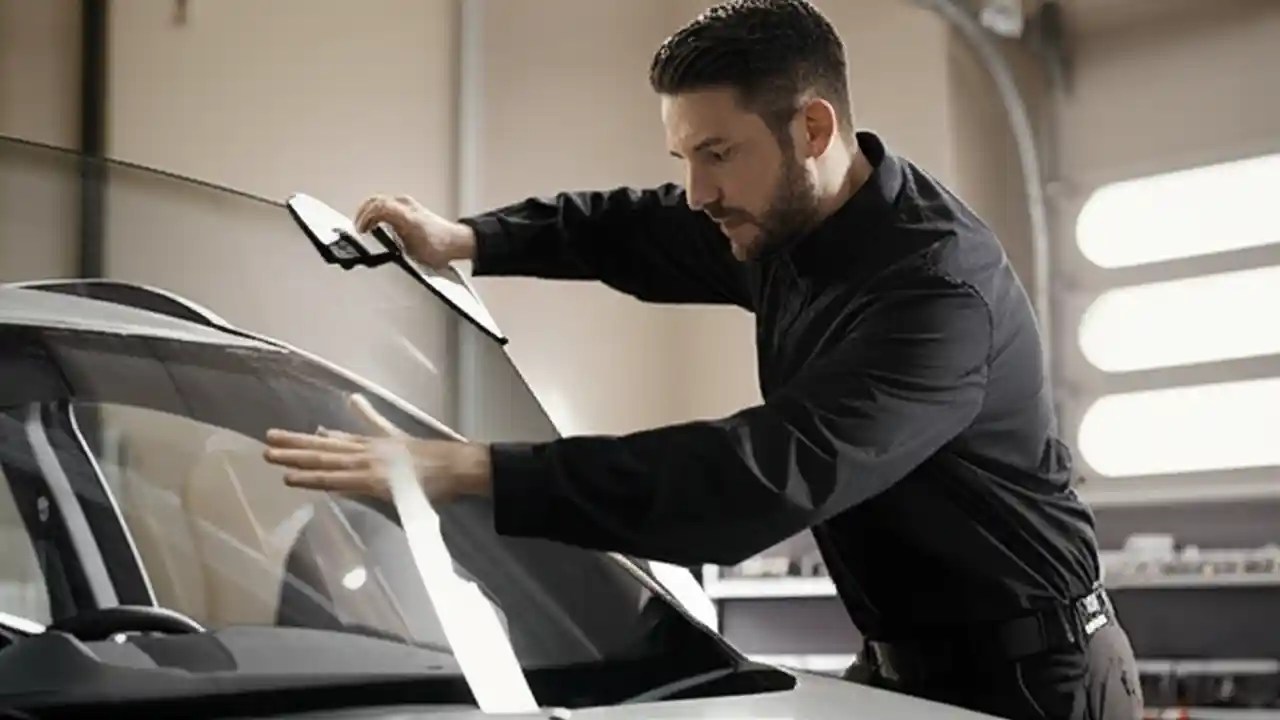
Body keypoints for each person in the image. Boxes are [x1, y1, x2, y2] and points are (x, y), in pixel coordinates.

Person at [263, 1, 1143, 717]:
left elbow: (759, 475)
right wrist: (467, 239)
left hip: (1038, 680)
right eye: (685, 156)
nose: (699, 192)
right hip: (903, 660)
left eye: (718, 155)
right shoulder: (788, 221)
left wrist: (469, 471)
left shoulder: (936, 296)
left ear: (813, 125)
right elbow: (637, 226)